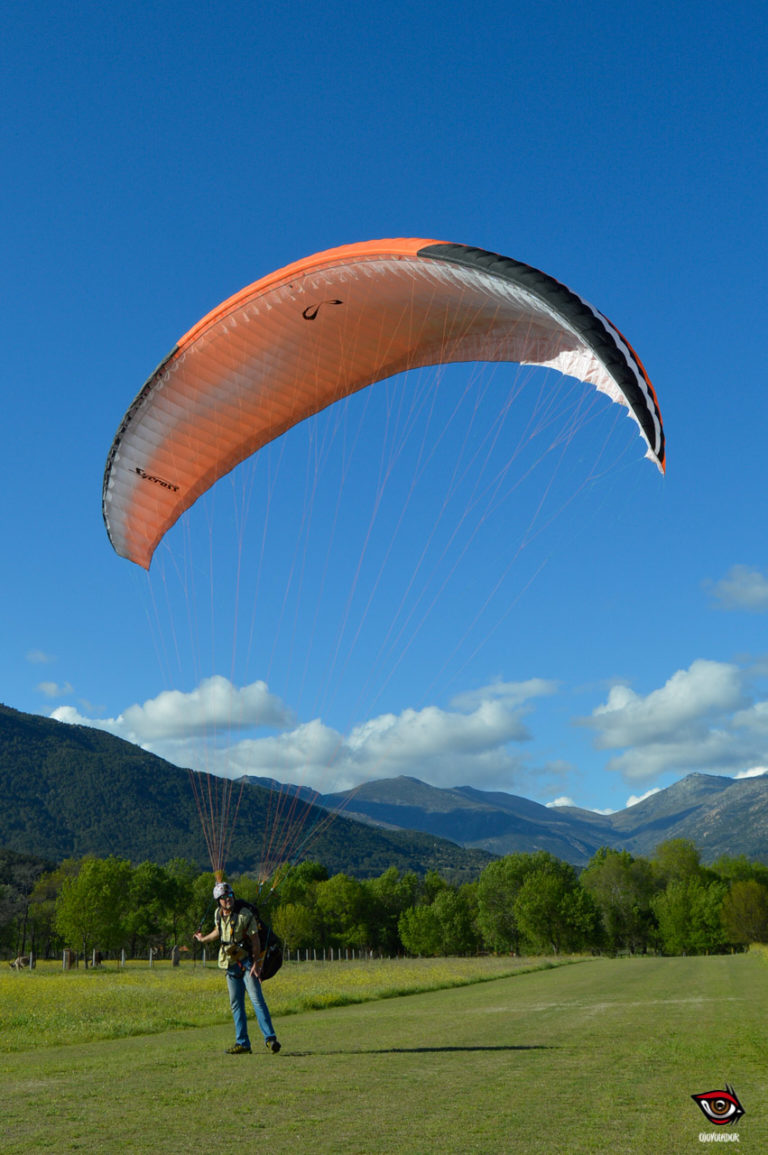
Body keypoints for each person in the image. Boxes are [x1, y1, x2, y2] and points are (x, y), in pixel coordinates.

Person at [194, 881, 281, 1055]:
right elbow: (218, 931)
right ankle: (242, 1043)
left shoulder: (244, 915)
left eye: (230, 896)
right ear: (218, 900)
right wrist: (203, 939)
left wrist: (256, 963)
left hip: (248, 963)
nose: (228, 900)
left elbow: (255, 941)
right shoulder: (218, 914)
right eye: (224, 898)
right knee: (236, 1004)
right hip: (230, 964)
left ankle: (270, 1039)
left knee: (256, 999)